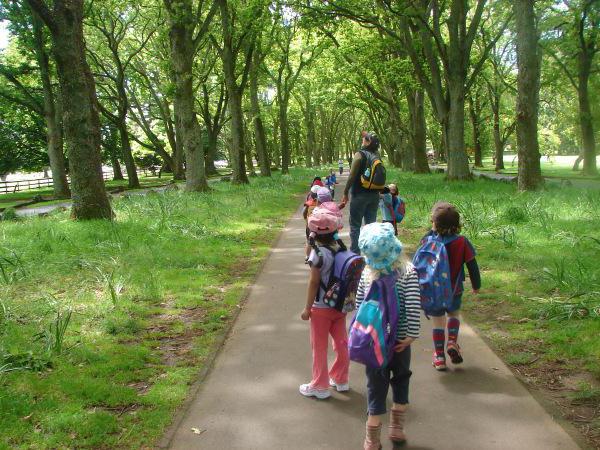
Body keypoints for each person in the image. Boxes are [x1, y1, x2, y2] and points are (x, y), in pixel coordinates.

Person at [356, 222, 421, 449]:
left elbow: (359, 306)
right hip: (401, 343)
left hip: (375, 344)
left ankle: (371, 441)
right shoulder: (408, 272)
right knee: (401, 380)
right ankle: (397, 429)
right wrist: (411, 335)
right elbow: (413, 307)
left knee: (375, 386)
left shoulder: (367, 273)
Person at [420, 202, 481, 371]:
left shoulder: (428, 240)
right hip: (454, 289)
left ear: (434, 223)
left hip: (434, 290)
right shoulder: (462, 242)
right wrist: (476, 285)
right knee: (453, 314)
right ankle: (452, 342)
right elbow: (472, 266)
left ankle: (439, 357)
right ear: (457, 224)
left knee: (438, 321)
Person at [299, 208, 350, 400]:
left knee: (319, 347)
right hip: (340, 306)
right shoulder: (341, 248)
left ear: (313, 233)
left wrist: (306, 308)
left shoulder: (317, 254)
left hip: (321, 308)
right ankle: (341, 378)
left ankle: (320, 386)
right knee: (341, 342)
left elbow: (314, 282)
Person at [341, 132, 383, 254]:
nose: (362, 140)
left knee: (355, 226)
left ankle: (355, 254)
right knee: (371, 226)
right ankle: (370, 253)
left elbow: (352, 176)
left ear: (368, 142)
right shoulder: (377, 155)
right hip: (374, 196)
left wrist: (345, 192)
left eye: (364, 139)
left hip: (359, 195)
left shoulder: (359, 155)